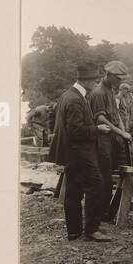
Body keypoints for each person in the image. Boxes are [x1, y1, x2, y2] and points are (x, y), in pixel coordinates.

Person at [48, 62, 105, 241]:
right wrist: (98, 129)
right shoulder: (75, 100)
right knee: (96, 186)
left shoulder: (67, 95)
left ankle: (74, 231)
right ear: (87, 81)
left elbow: (56, 122)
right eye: (95, 82)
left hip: (70, 154)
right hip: (81, 153)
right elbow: (76, 131)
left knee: (74, 191)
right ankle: (92, 229)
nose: (96, 85)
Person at [86, 61, 132, 234]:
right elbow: (101, 119)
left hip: (113, 140)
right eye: (118, 79)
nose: (120, 82)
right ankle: (98, 217)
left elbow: (115, 115)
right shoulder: (98, 93)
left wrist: (123, 131)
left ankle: (107, 212)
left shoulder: (110, 91)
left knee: (130, 165)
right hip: (102, 141)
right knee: (103, 180)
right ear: (110, 75)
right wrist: (120, 132)